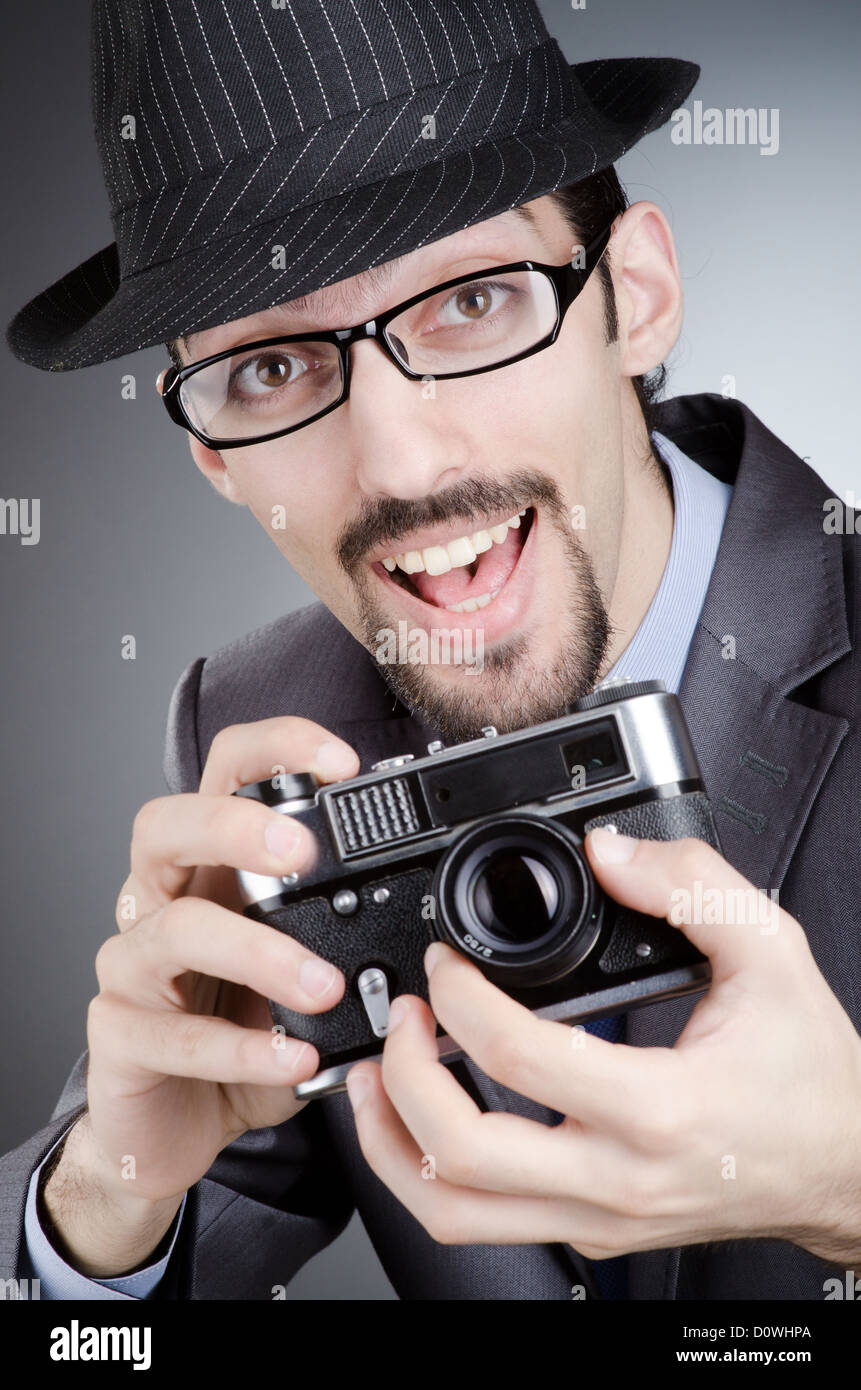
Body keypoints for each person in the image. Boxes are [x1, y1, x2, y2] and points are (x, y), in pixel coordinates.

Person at [1, 0, 858, 1302]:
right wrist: (109, 1198)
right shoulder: (264, 726)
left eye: (471, 298)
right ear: (214, 452)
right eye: (273, 366)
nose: (399, 462)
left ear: (634, 299)